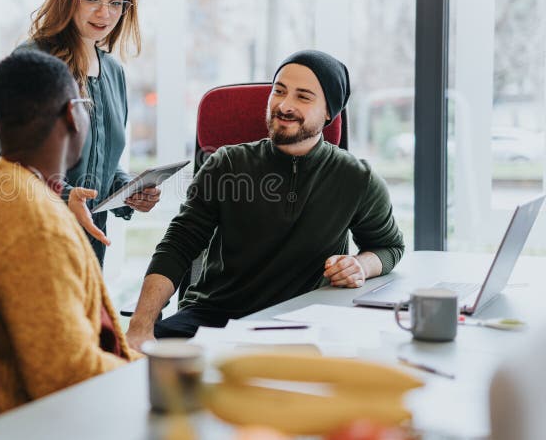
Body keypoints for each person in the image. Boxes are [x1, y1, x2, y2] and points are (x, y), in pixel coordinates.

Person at [126, 50, 405, 350]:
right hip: (214, 318)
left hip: (300, 325)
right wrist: (140, 325)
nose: (284, 105)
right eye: (279, 91)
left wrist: (362, 265)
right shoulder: (227, 164)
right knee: (136, 368)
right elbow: (178, 246)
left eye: (303, 97)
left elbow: (390, 247)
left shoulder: (356, 179)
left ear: (328, 112)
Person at [0, 50, 138, 417]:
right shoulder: (31, 227)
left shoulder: (20, 194)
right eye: (84, 103)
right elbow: (68, 376)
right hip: (81, 420)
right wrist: (154, 377)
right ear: (72, 116)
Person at [0, 0, 160, 266]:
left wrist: (130, 191)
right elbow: (10, 168)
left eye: (116, 3)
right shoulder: (32, 60)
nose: (104, 13)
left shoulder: (113, 72)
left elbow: (102, 168)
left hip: (88, 258)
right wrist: (66, 196)